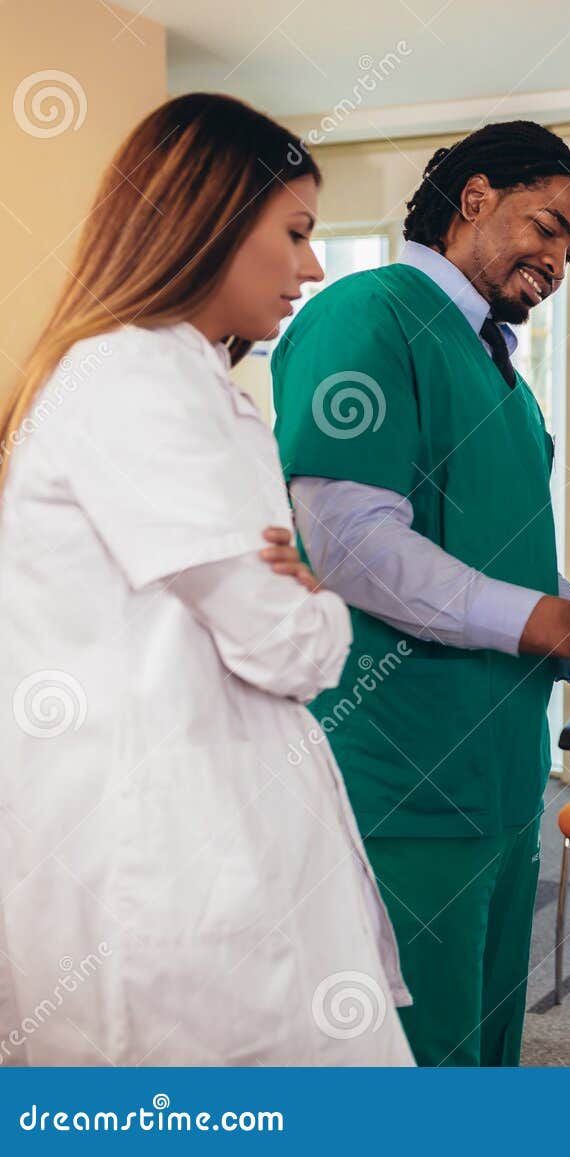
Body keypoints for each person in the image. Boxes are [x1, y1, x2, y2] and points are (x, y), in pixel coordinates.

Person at [271, 121, 570, 1067]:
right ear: (474, 198)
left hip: (503, 784)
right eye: (547, 228)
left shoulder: (504, 373)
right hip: (400, 780)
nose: (557, 260)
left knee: (485, 1047)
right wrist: (560, 620)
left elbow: (506, 560)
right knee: (412, 1057)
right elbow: (352, 544)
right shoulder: (368, 314)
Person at [0, 93, 411, 1064]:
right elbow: (286, 644)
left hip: (188, 844)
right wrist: (319, 604)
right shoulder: (141, 379)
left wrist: (301, 590)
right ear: (211, 220)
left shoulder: (139, 375)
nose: (313, 266)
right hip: (174, 869)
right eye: (298, 232)